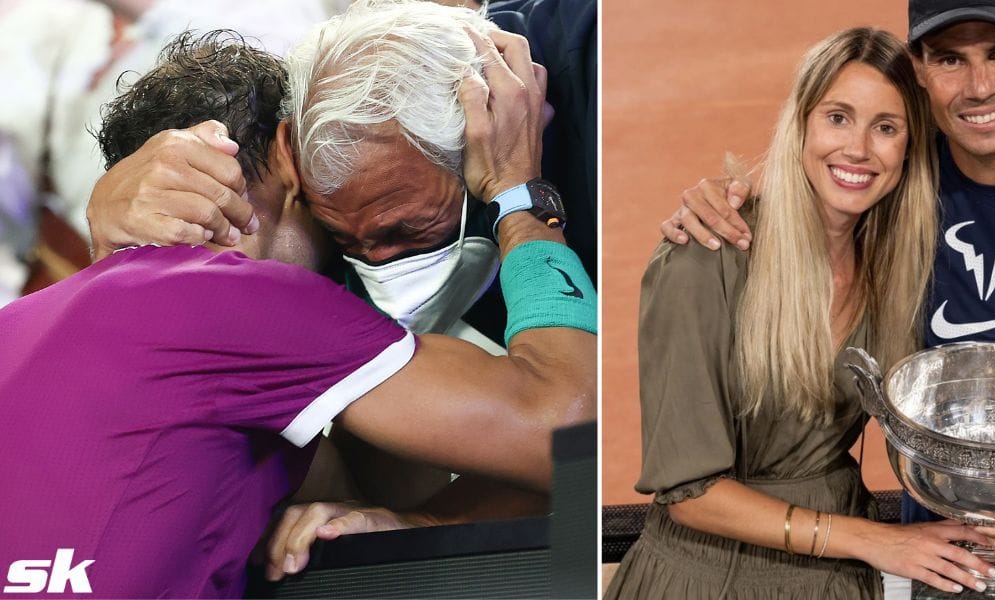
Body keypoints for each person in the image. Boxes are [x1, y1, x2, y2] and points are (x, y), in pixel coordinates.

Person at [0, 26, 595, 598]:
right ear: (290, 159)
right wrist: (519, 194)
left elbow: (378, 490)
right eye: (335, 225)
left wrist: (408, 518)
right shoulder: (243, 300)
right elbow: (574, 434)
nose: (361, 260)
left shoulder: (21, 324)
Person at [662, 1, 995, 597]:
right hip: (934, 549)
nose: (979, 87)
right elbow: (809, 189)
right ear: (918, 66)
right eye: (950, 59)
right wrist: (719, 203)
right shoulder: (891, 182)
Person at [606, 28, 995, 599]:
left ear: (910, 148)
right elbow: (689, 493)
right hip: (708, 579)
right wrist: (873, 540)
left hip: (837, 579)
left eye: (886, 128)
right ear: (801, 125)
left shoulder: (900, 273)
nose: (858, 149)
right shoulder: (709, 255)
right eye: (838, 118)